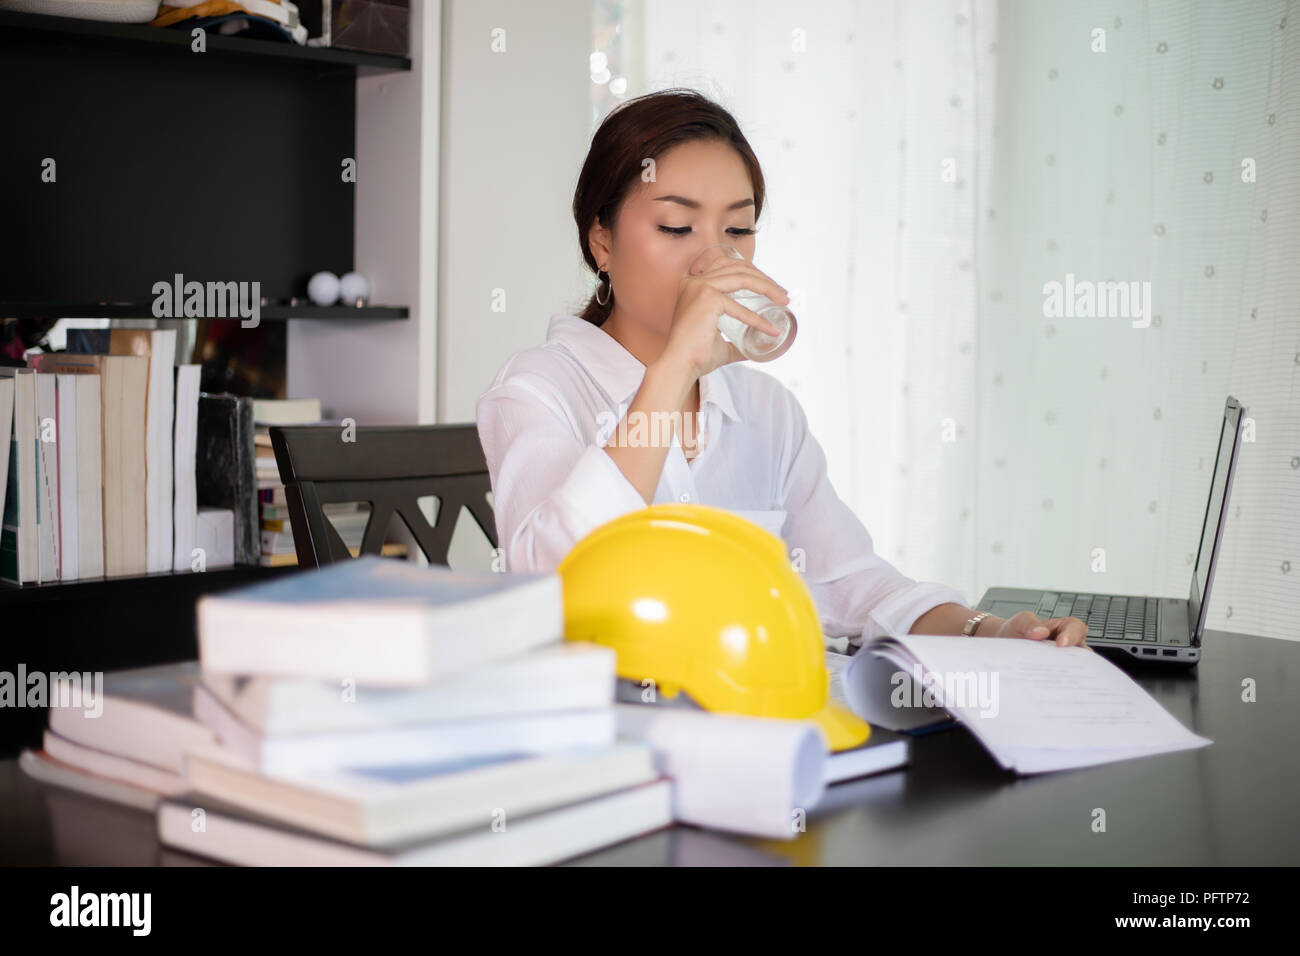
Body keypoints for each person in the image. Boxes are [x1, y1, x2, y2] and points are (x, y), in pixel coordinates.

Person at [476, 89, 1087, 650]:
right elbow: (550, 585)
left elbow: (851, 585)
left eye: (738, 229)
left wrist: (988, 631)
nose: (715, 257)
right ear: (602, 242)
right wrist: (671, 371)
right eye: (675, 226)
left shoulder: (766, 412)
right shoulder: (536, 390)